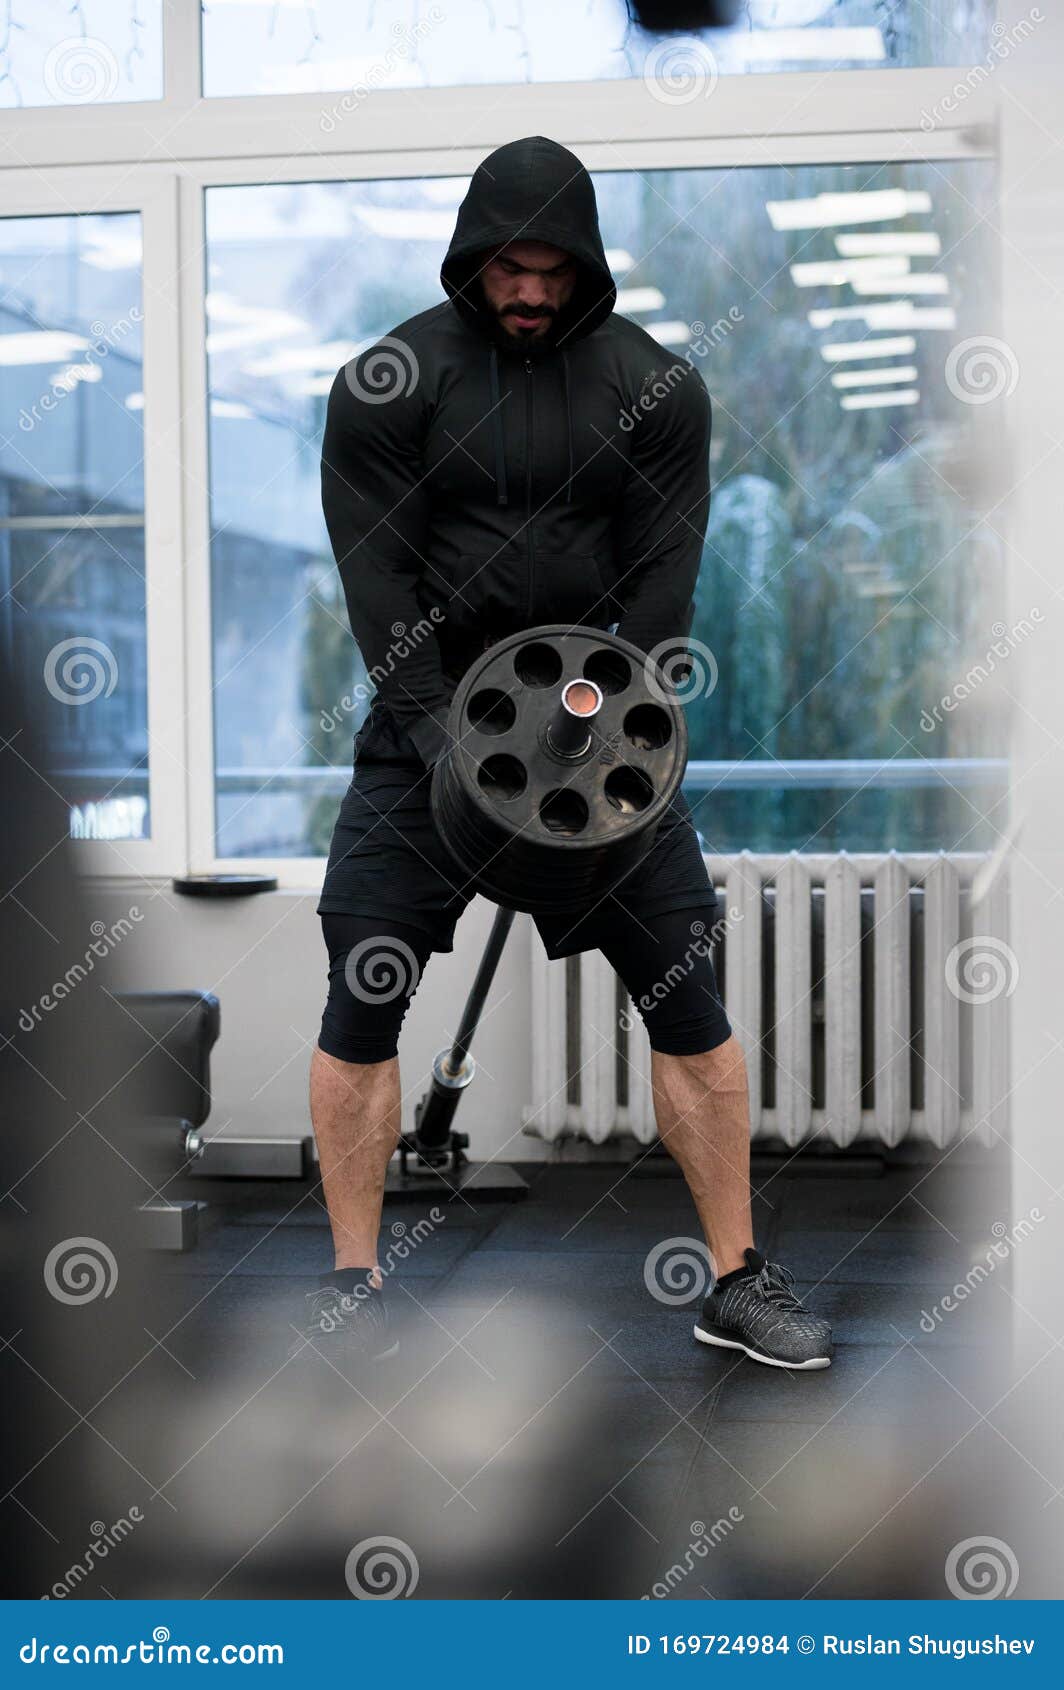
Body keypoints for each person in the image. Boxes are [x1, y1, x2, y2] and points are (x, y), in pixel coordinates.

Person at [306, 136, 832, 1372]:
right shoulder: (386, 383)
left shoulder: (655, 388)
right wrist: (451, 745)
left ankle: (734, 1280)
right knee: (360, 1004)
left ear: (584, 266)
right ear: (473, 259)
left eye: (552, 271)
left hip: (598, 746)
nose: (530, 292)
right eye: (509, 269)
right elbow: (377, 583)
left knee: (690, 1015)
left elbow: (661, 584)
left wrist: (580, 732)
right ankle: (350, 1285)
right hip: (418, 735)